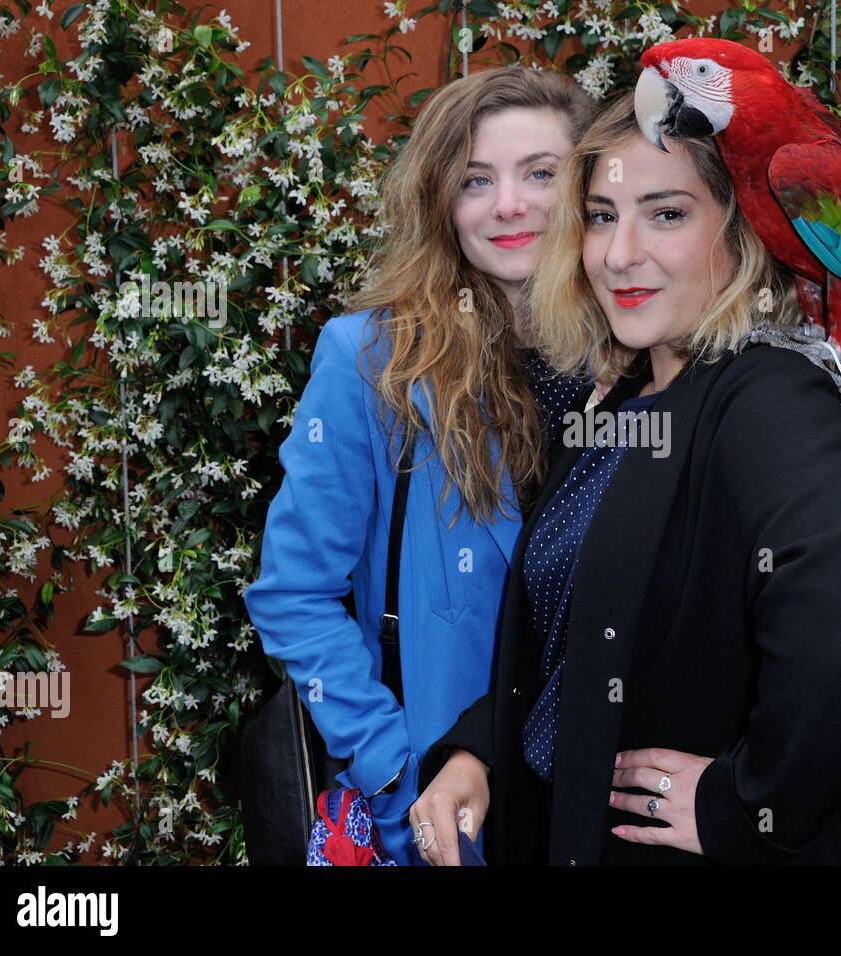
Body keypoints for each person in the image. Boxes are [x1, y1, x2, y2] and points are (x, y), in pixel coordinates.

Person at [411, 91, 841, 865]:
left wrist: (744, 808)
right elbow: (574, 639)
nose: (619, 254)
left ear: (740, 230)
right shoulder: (620, 399)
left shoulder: (771, 398)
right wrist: (477, 754)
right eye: (602, 216)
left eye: (666, 214)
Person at [243, 66, 595, 865]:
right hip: (442, 812)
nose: (510, 205)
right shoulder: (374, 359)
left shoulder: (641, 364)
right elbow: (292, 593)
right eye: (476, 180)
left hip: (592, 800)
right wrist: (392, 764)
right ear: (442, 203)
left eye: (542, 173)